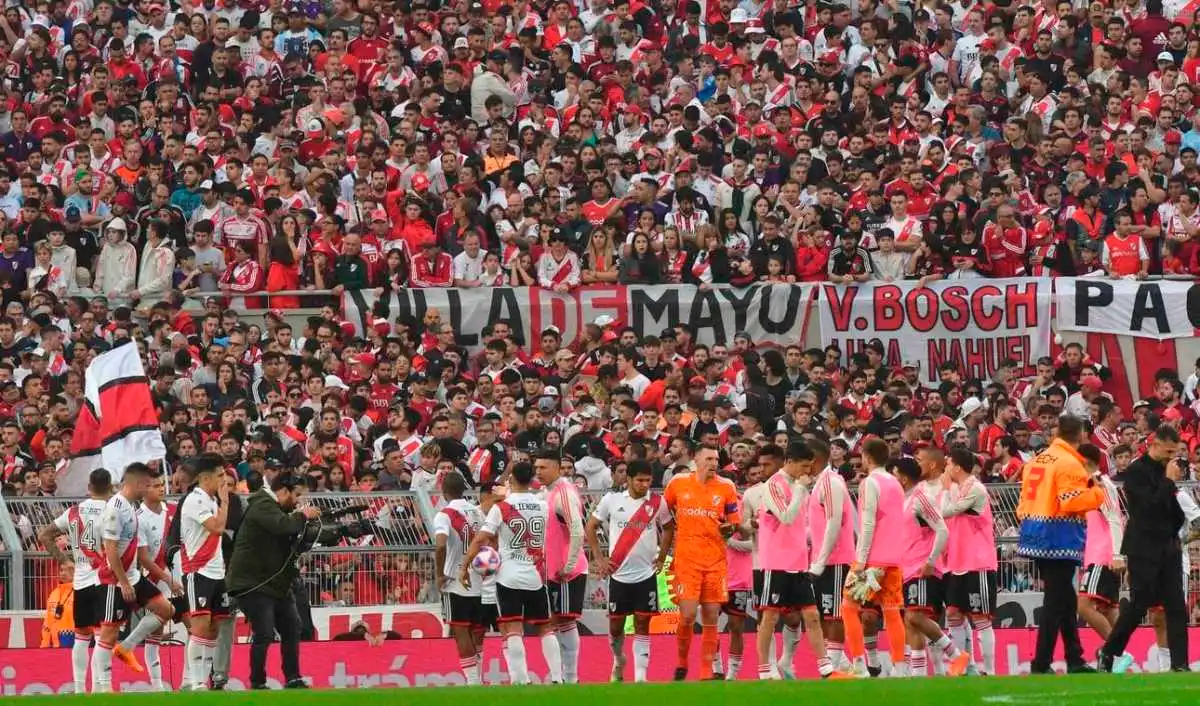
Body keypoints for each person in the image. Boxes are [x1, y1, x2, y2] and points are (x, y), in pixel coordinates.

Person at [1017, 414, 1105, 674]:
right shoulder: (1070, 463)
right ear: (1080, 435)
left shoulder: (1037, 460)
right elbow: (1071, 501)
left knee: (1065, 598)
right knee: (1056, 600)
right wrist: (1097, 492)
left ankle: (1075, 657)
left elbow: (1022, 502)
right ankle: (1041, 662)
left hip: (1034, 531)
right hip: (1059, 535)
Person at [1098, 424, 1190, 673]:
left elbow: (1170, 509)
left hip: (1168, 547)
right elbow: (1147, 511)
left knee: (1176, 606)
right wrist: (1169, 482)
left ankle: (1180, 664)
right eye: (1169, 452)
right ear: (1155, 444)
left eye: (1175, 453)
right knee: (1138, 606)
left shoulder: (1165, 471)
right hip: (1143, 549)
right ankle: (1109, 651)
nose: (1172, 458)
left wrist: (1176, 528)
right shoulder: (1136, 472)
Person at [462, 462, 562, 685]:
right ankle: (557, 678)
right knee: (545, 626)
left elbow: (480, 539)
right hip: (536, 574)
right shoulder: (542, 505)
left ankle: (521, 680)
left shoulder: (501, 508)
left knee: (512, 627)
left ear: (512, 480)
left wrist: (465, 566)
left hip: (508, 575)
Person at [756, 441, 847, 680]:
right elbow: (786, 517)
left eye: (809, 467)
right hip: (775, 562)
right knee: (770, 616)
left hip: (798, 562)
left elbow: (801, 523)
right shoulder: (772, 485)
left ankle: (826, 668)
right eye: (804, 466)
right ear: (790, 462)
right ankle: (765, 669)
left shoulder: (800, 485)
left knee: (812, 615)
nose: (807, 471)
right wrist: (799, 490)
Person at [225, 472, 322, 690]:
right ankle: (257, 680)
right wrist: (304, 515)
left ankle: (293, 677)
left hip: (276, 582)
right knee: (265, 632)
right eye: (296, 495)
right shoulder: (263, 505)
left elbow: (289, 532)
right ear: (284, 491)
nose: (298, 502)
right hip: (252, 583)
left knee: (292, 627)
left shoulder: (276, 508)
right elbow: (283, 526)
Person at [661, 443, 743, 681]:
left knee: (711, 616)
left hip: (715, 561)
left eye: (716, 459)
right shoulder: (677, 483)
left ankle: (706, 672)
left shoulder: (726, 487)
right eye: (708, 459)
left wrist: (731, 528)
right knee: (686, 615)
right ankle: (682, 662)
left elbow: (734, 522)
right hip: (687, 560)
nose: (713, 463)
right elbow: (663, 513)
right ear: (695, 459)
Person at [587, 459, 673, 682]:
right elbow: (591, 526)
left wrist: (662, 556)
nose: (644, 485)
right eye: (640, 480)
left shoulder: (657, 502)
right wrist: (598, 557)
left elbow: (669, 527)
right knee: (616, 626)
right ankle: (618, 660)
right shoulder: (612, 500)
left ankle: (641, 676)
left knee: (643, 623)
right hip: (618, 574)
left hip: (645, 574)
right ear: (629, 479)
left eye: (648, 480)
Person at [94, 463, 177, 693]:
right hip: (115, 579)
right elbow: (110, 549)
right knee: (108, 633)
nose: (150, 488)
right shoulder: (115, 507)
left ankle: (127, 647)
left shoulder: (130, 506)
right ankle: (105, 688)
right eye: (148, 484)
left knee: (166, 610)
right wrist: (123, 582)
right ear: (138, 484)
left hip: (133, 576)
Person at [38, 469, 113, 694]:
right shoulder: (112, 511)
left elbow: (44, 535)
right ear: (110, 489)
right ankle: (101, 688)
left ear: (89, 488)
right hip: (103, 579)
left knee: (82, 636)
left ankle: (80, 689)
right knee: (103, 636)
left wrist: (65, 561)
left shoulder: (73, 511)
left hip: (80, 581)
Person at [895, 453, 969, 678]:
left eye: (894, 474)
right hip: (906, 567)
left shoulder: (920, 498)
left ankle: (956, 654)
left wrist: (930, 561)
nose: (892, 478)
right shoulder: (904, 501)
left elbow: (942, 530)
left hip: (921, 566)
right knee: (910, 621)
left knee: (916, 617)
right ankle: (918, 676)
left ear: (904, 478)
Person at [841, 438, 908, 678]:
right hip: (894, 559)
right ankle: (900, 667)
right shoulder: (896, 483)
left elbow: (868, 524)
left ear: (868, 458)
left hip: (872, 561)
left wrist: (860, 560)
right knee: (891, 612)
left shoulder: (870, 483)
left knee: (848, 608)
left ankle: (859, 663)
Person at [940, 446, 999, 675]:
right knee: (954, 615)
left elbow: (946, 511)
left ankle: (991, 671)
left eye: (948, 464)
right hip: (957, 562)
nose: (945, 469)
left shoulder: (977, 489)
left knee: (980, 618)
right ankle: (967, 667)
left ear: (956, 466)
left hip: (978, 562)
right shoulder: (956, 487)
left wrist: (944, 490)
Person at [179, 453, 233, 690]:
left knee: (213, 629)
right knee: (199, 626)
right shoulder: (196, 500)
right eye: (220, 476)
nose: (224, 480)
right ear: (205, 478)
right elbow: (218, 528)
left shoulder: (211, 501)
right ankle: (194, 681)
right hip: (198, 571)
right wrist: (226, 502)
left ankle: (204, 680)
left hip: (216, 572)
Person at [535, 448, 589, 683]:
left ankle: (570, 677)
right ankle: (566, 677)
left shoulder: (564, 493)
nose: (538, 471)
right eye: (536, 467)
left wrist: (568, 565)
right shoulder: (546, 491)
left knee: (563, 620)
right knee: (556, 620)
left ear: (557, 468)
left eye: (543, 467)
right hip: (551, 570)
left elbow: (578, 531)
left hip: (566, 571)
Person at [1075, 444, 1130, 672]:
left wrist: (1117, 554)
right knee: (1108, 609)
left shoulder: (1100, 483)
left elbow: (1115, 519)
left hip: (1104, 555)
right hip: (1099, 553)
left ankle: (1117, 653)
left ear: (1085, 461)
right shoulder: (1092, 484)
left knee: (1084, 605)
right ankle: (1121, 655)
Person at [806, 438, 856, 671]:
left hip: (835, 561)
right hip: (822, 559)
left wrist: (821, 561)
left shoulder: (831, 483)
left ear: (813, 459)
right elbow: (816, 527)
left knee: (835, 615)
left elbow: (834, 524)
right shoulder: (819, 483)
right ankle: (847, 668)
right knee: (825, 614)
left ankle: (835, 669)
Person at [433, 471, 487, 685]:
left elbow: (440, 545)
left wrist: (439, 575)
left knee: (461, 631)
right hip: (479, 580)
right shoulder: (477, 512)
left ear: (443, 491)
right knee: (478, 631)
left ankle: (473, 682)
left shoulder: (444, 514)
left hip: (455, 582)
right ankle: (479, 678)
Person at [41, 561, 75, 648]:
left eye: (68, 570)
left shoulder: (81, 593)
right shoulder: (54, 594)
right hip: (55, 645)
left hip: (74, 644)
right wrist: (45, 643)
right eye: (61, 570)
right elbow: (47, 621)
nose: (63, 573)